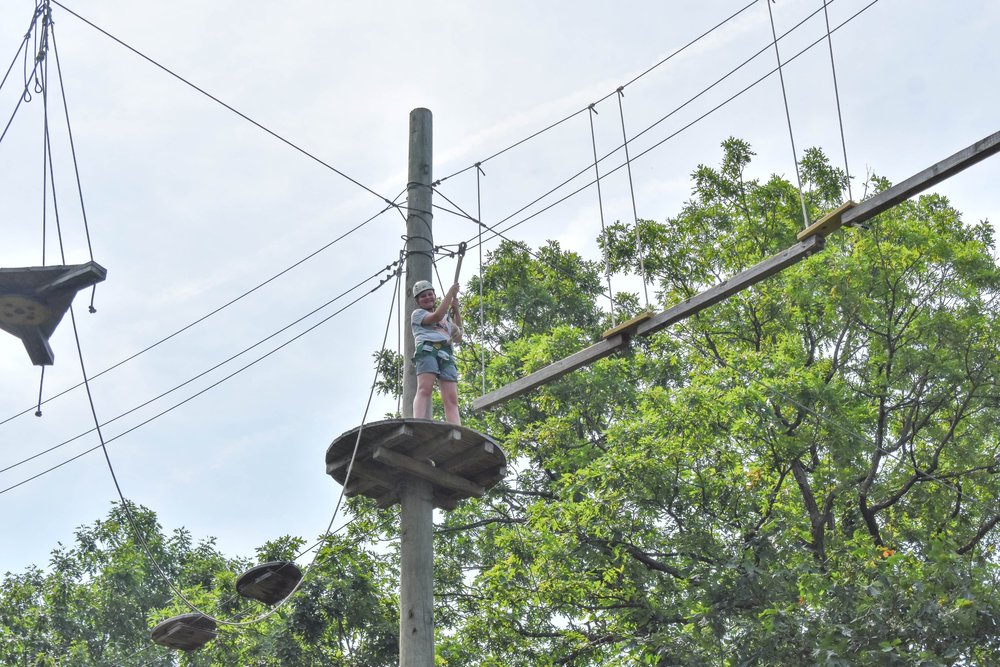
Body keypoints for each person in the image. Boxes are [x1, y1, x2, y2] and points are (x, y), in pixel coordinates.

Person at [410, 279, 463, 424]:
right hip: (428, 350)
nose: (427, 298)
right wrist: (450, 293)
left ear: (434, 295)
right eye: (423, 296)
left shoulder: (446, 320)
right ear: (417, 301)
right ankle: (418, 422)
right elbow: (436, 316)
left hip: (445, 354)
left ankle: (455, 427)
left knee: (451, 398)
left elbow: (458, 336)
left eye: (430, 294)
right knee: (424, 389)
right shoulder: (418, 314)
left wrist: (456, 311)